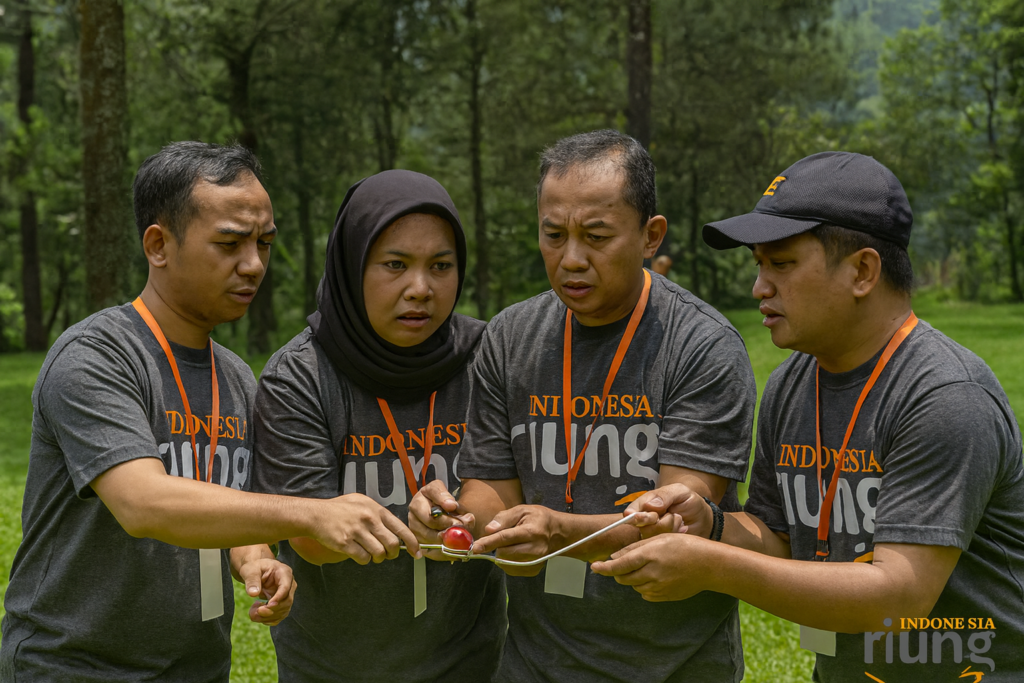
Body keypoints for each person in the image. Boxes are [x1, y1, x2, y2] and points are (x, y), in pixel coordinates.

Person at [593, 151, 1024, 682]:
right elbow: (777, 535)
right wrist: (709, 523)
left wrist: (711, 566)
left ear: (863, 271)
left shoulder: (943, 396)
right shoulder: (792, 383)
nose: (759, 287)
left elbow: (897, 597)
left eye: (782, 263)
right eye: (758, 264)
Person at [0, 142, 415, 683]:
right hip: (74, 667)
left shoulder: (237, 377)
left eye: (264, 243)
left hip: (196, 670)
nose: (254, 264)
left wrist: (255, 560)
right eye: (230, 243)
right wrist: (311, 512)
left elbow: (224, 497)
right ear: (158, 245)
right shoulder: (96, 356)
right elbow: (144, 502)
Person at [410, 129, 757, 682]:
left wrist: (558, 530)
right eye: (553, 235)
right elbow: (492, 485)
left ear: (651, 236)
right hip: (535, 663)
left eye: (597, 236)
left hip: (675, 665)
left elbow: (678, 520)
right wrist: (458, 519)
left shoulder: (701, 345)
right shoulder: (511, 337)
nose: (571, 259)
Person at [249, 169, 506, 682]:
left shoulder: (488, 356)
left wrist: (456, 521)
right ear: (351, 266)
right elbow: (310, 539)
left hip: (470, 662)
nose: (420, 288)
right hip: (333, 668)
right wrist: (405, 525)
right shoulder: (300, 375)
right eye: (395, 265)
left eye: (441, 266)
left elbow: (502, 491)